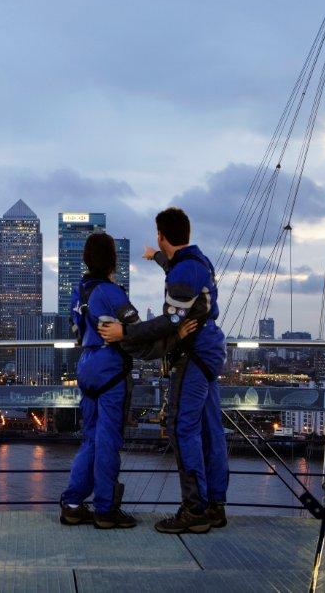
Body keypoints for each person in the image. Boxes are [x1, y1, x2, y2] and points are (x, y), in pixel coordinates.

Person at [99, 206, 229, 534]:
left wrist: (125, 333)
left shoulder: (184, 272)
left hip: (195, 353)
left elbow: (170, 320)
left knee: (181, 427)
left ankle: (194, 510)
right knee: (210, 428)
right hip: (209, 350)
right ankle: (214, 505)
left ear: (161, 234)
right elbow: (175, 268)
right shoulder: (197, 260)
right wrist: (155, 256)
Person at [59, 232, 176, 529]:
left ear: (86, 259)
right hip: (110, 369)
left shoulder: (79, 292)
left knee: (91, 437)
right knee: (108, 440)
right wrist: (172, 338)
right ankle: (105, 509)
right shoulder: (111, 293)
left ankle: (72, 504)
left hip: (86, 367)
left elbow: (77, 332)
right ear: (112, 260)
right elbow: (138, 330)